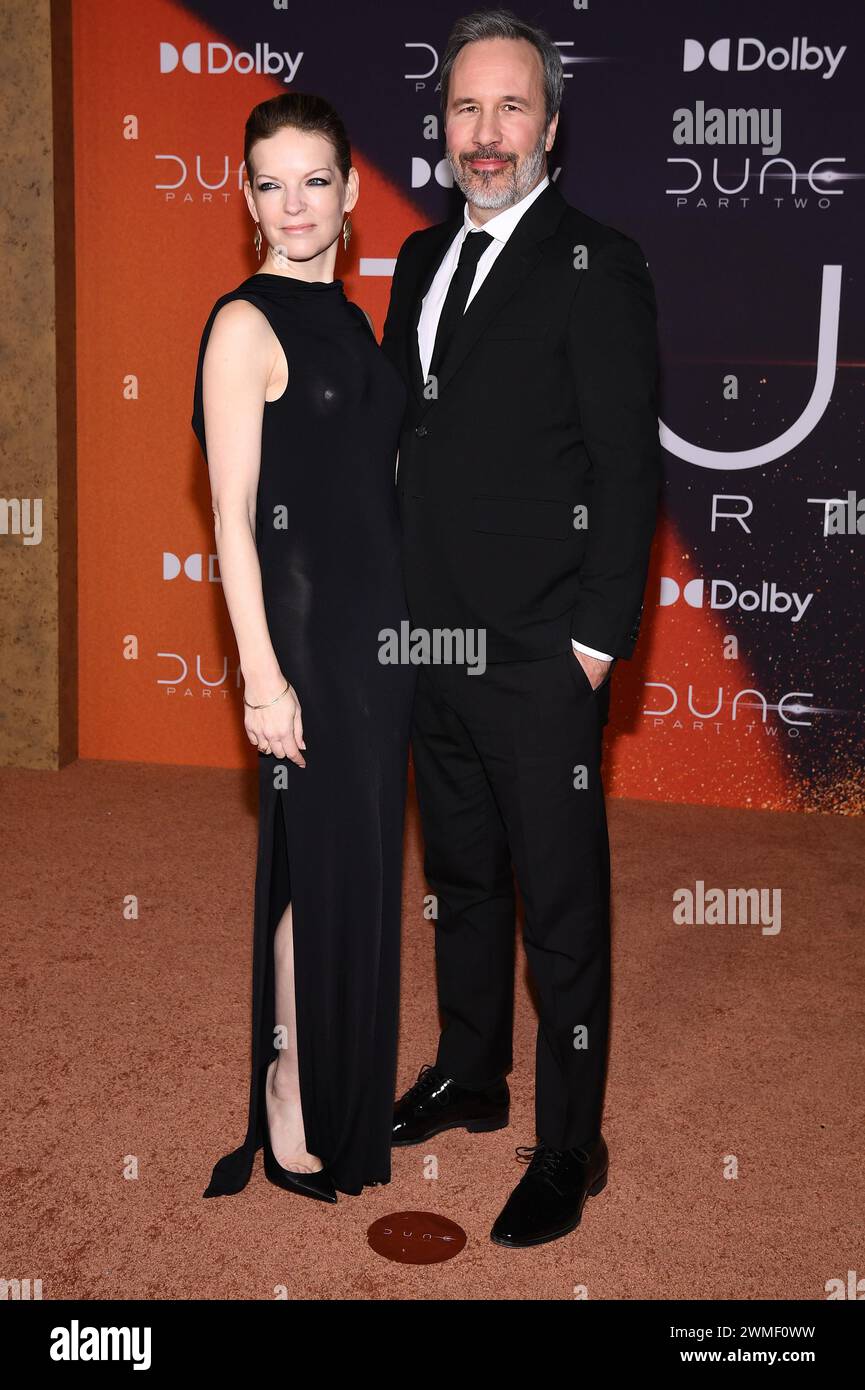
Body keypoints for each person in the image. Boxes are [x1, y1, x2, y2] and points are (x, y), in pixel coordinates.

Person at [382, 8, 660, 1246]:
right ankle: (474, 1071)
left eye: (509, 109)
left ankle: (571, 1141)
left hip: (543, 651)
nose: (483, 135)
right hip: (430, 641)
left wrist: (596, 642)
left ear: (549, 125)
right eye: (463, 109)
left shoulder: (600, 261)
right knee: (456, 877)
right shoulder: (414, 260)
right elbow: (405, 448)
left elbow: (626, 463)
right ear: (440, 126)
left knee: (562, 908)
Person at [191, 92, 415, 1202]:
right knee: (313, 866)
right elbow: (232, 515)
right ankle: (287, 1087)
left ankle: (336, 1081)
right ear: (244, 197)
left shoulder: (359, 322)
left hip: (381, 643)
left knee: (359, 868)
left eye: (314, 180)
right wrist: (263, 680)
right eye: (270, 183)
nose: (293, 204)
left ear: (349, 194)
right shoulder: (243, 323)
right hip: (309, 647)